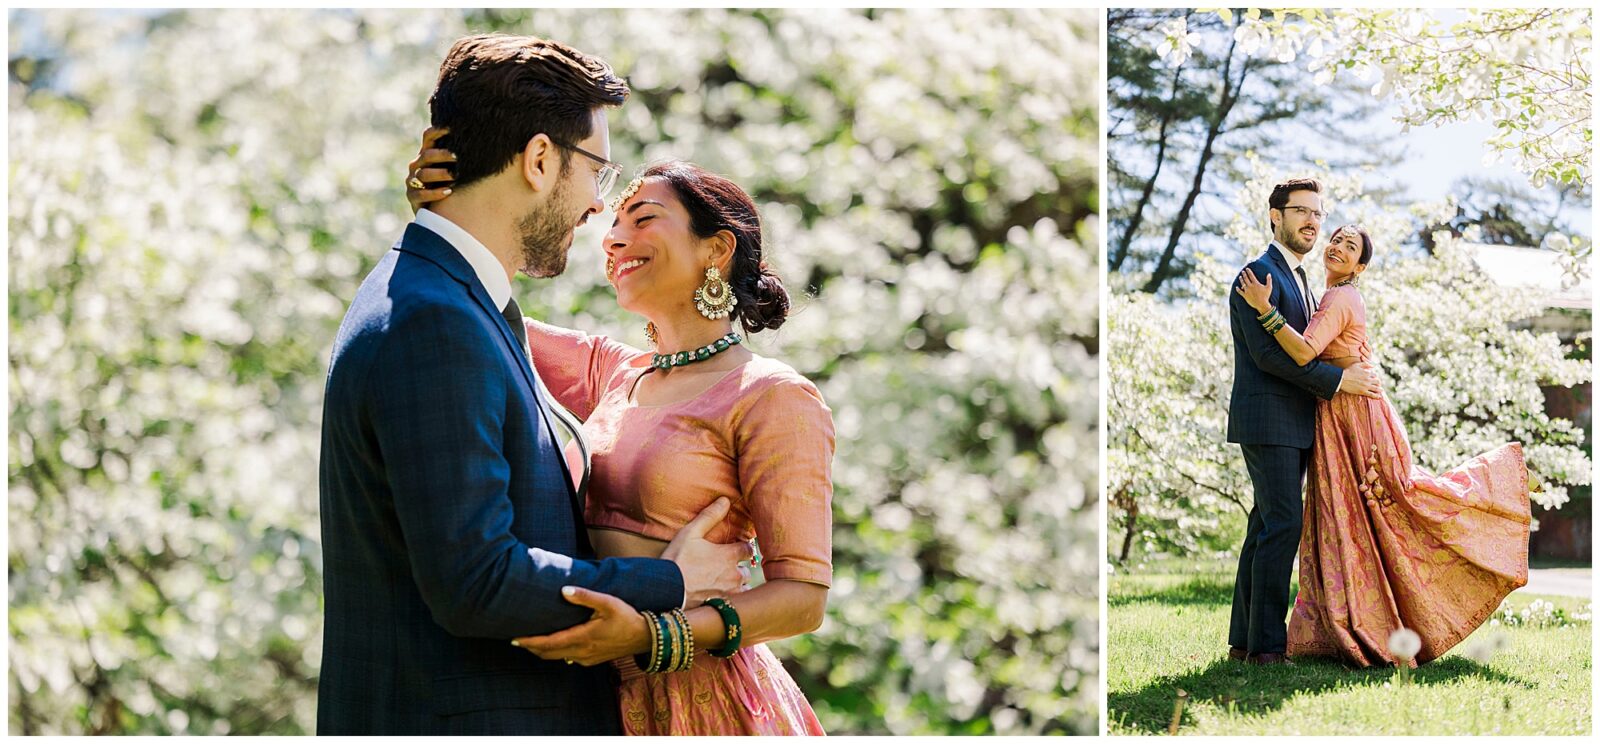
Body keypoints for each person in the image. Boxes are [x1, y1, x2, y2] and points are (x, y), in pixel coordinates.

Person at [317, 34, 752, 735]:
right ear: (541, 159)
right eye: (597, 174)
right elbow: (477, 581)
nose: (597, 209)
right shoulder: (435, 320)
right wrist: (672, 583)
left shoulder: (455, 301)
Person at [405, 149, 834, 732]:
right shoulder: (616, 374)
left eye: (643, 218)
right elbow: (471, 309)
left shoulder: (771, 395)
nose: (613, 238)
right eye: (613, 224)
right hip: (592, 695)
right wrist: (444, 214)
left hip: (704, 701)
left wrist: (658, 634)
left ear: (717, 248)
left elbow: (803, 598)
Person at [1236, 223, 1530, 667]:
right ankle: (1366, 615)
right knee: (1361, 517)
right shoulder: (1329, 294)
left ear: (1361, 267)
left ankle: (1492, 493)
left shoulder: (1340, 297)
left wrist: (1265, 309)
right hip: (1340, 413)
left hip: (1356, 416)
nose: (1336, 246)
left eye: (1349, 246)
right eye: (1335, 240)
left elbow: (1303, 353)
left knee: (1388, 505)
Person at [1223, 178, 1385, 666]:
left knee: (1264, 528)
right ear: (1276, 216)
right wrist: (1339, 382)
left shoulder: (1304, 280)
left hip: (1293, 421)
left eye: (1319, 213)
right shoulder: (1257, 274)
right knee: (1284, 526)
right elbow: (1272, 357)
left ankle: (1243, 641)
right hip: (1268, 416)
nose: (1313, 221)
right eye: (1301, 212)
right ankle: (1268, 649)